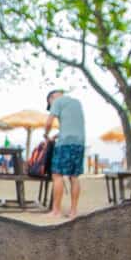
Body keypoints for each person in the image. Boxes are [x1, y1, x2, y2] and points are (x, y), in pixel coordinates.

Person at [44, 88, 86, 219]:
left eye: (49, 105)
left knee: (57, 175)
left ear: (51, 98)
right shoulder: (77, 102)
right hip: (79, 142)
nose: (51, 107)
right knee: (74, 176)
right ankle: (73, 212)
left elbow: (49, 122)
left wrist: (46, 134)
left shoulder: (57, 101)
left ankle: (56, 211)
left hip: (65, 144)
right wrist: (57, 135)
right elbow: (72, 126)